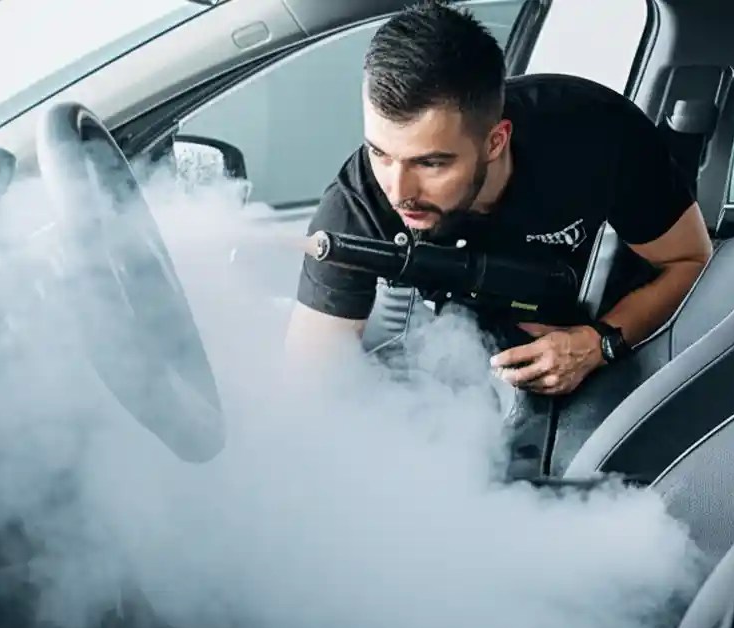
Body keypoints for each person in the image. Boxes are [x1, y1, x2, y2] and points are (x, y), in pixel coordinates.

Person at [285, 0, 712, 396]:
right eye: (379, 152)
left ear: (495, 142)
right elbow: (313, 386)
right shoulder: (357, 201)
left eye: (431, 164)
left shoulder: (594, 135)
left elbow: (689, 261)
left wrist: (599, 342)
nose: (399, 191)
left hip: (606, 355)